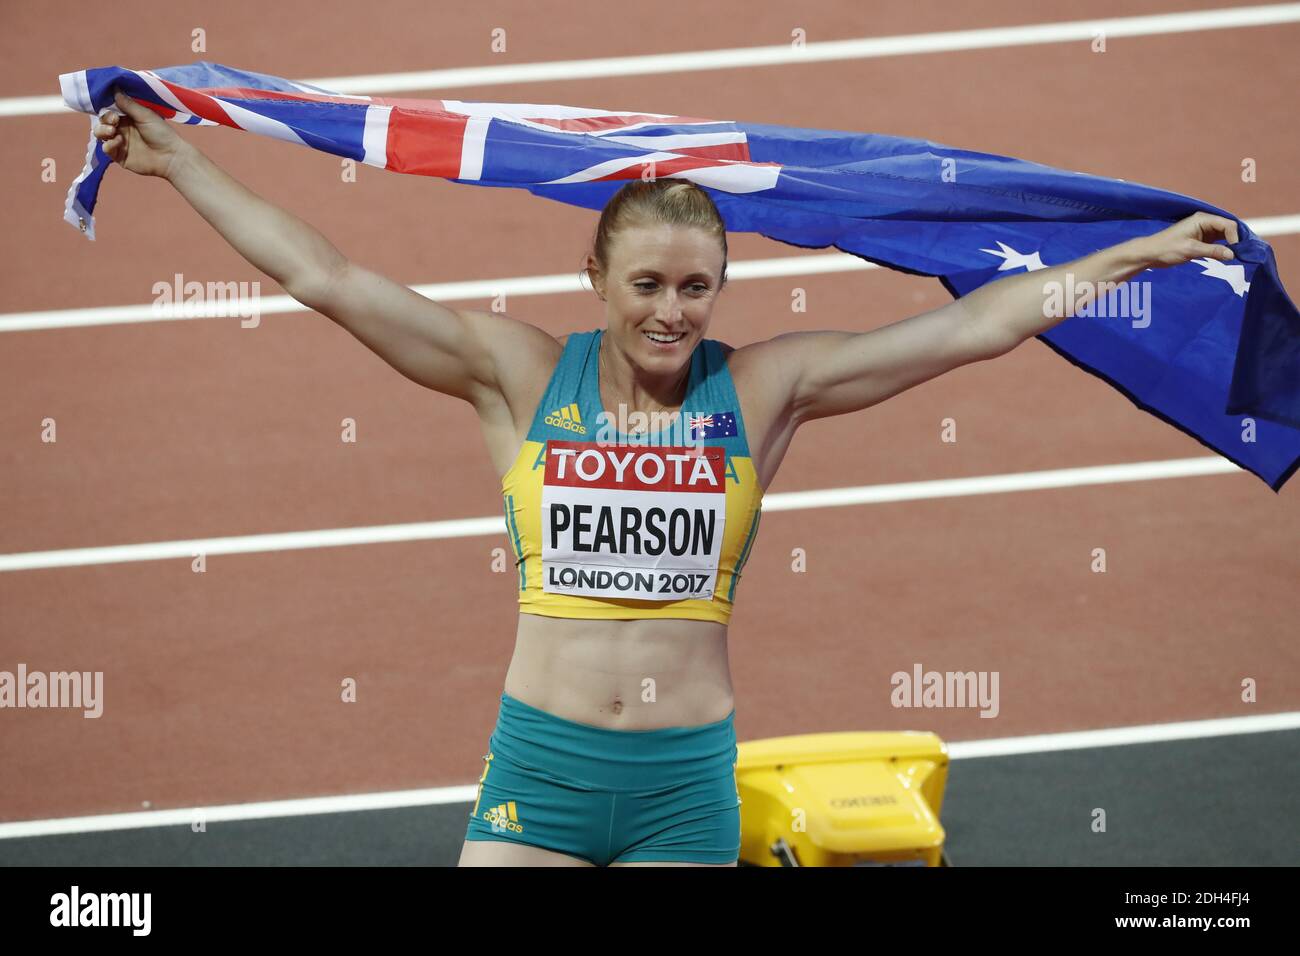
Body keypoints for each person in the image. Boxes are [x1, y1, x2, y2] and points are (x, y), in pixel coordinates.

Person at [95, 91, 1241, 867]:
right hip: (538, 766)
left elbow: (965, 333)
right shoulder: (515, 373)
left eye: (697, 289)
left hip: (682, 784)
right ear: (594, 274)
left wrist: (1128, 255)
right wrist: (183, 159)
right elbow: (328, 275)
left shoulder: (760, 391)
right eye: (646, 284)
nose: (670, 312)